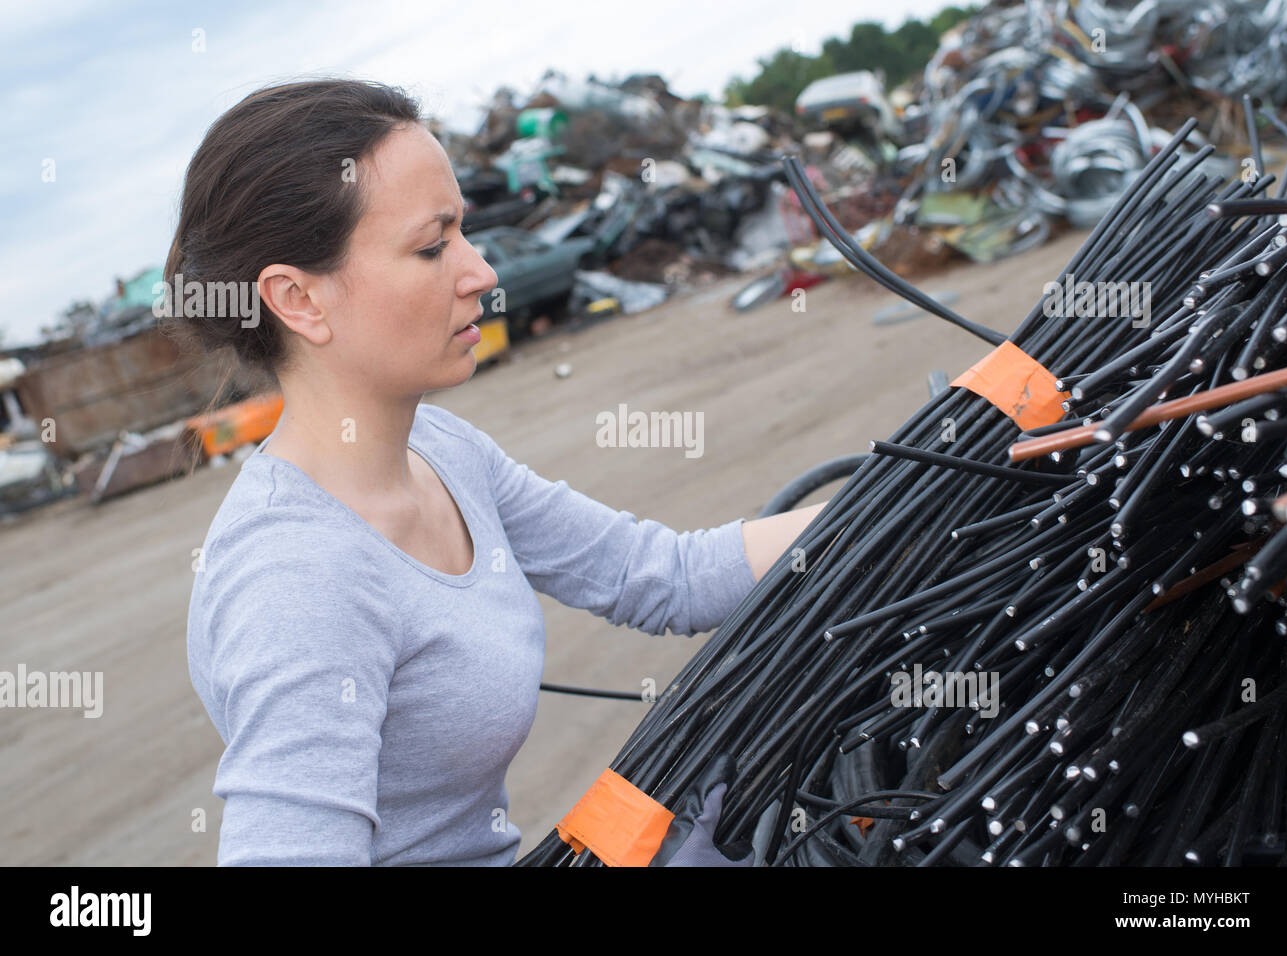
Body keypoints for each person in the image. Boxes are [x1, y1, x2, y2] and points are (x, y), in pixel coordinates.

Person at [173, 78, 826, 866]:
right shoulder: (298, 576)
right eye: (432, 246)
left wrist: (899, 496)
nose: (480, 272)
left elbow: (661, 575)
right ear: (299, 300)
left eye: (466, 234)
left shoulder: (444, 450)